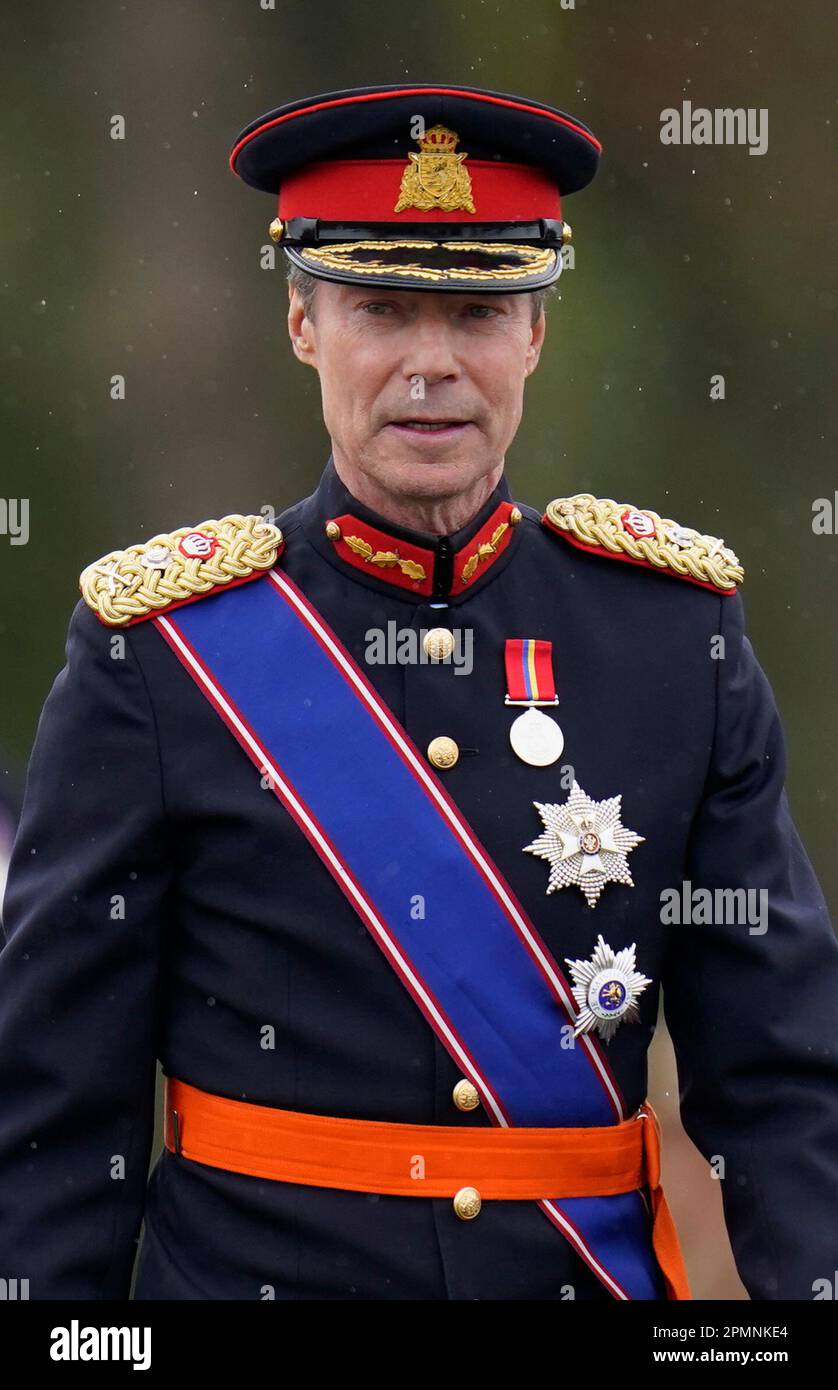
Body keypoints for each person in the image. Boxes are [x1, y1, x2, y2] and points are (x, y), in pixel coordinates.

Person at [1, 82, 836, 1303]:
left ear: (536, 335)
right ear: (302, 324)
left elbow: (779, 1074)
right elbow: (56, 1107)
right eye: (382, 309)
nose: (431, 365)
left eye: (481, 311)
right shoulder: (164, 650)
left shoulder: (674, 636)